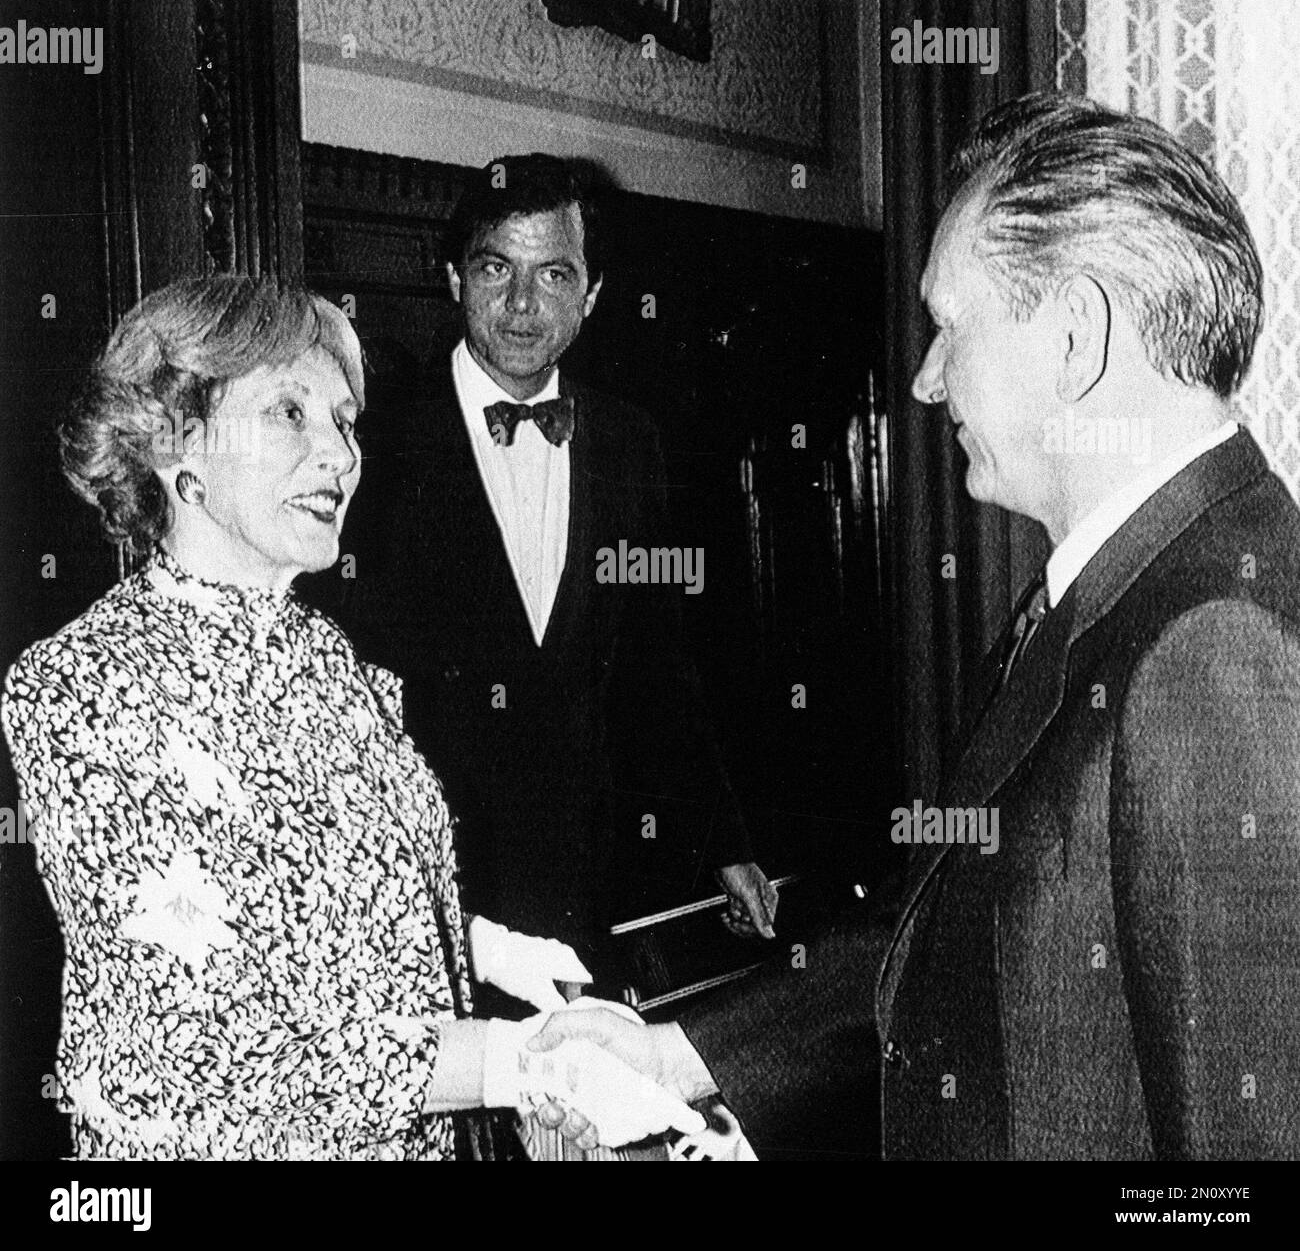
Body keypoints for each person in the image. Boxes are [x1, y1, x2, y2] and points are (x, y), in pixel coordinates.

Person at [532, 93, 1300, 1160]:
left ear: (1075, 334)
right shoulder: (1114, 589)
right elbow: (935, 924)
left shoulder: (1216, 644)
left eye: (950, 323)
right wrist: (676, 1053)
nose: (926, 378)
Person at [0, 276, 702, 1159]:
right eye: (290, 413)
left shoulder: (332, 657)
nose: (339, 455)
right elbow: (210, 1054)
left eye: (343, 421)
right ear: (175, 443)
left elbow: (314, 901)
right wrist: (513, 1062)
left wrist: (482, 948)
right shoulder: (82, 686)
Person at [335, 153, 776, 989]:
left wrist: (725, 844)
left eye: (555, 274)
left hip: (587, 888)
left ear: (593, 295)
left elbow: (660, 664)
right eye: (497, 268)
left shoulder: (628, 445)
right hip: (421, 900)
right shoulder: (368, 447)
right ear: (454, 278)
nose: (523, 304)